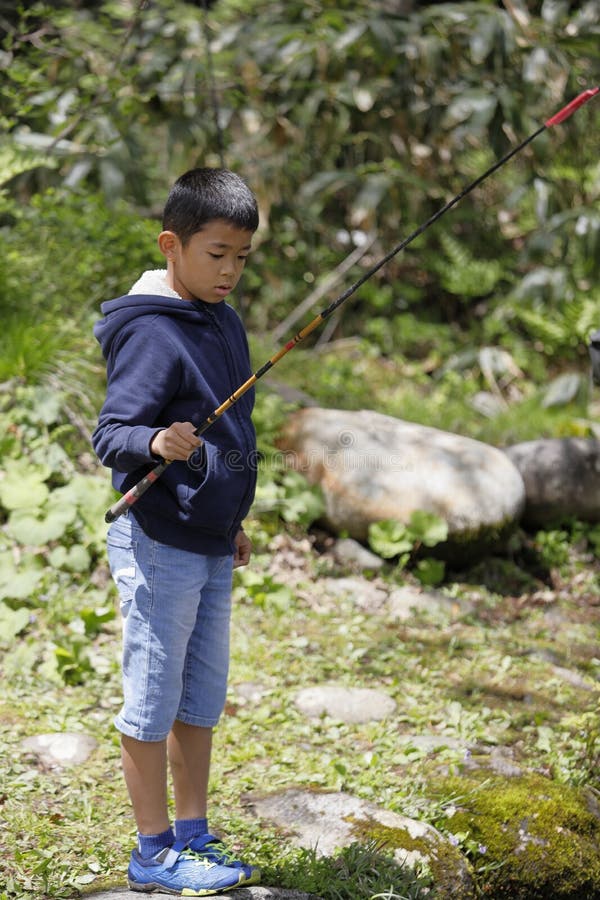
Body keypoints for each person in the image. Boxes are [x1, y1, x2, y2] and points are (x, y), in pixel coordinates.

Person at [92, 167, 260, 895]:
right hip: (158, 543)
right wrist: (155, 441)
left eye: (242, 258)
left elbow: (236, 432)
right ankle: (152, 851)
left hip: (210, 539)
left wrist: (233, 518)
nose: (229, 271)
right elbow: (111, 433)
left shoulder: (221, 319)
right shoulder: (154, 330)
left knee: (201, 697)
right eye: (216, 254)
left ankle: (193, 834)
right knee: (155, 697)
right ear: (172, 244)